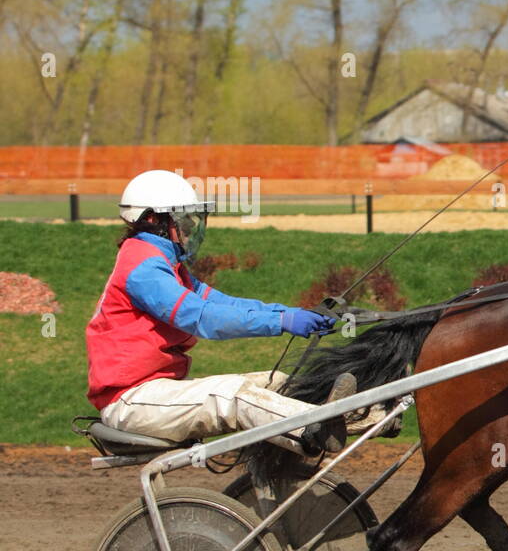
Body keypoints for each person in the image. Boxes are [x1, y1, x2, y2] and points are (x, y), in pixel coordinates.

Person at [85, 169, 354, 454]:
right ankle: (313, 429)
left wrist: (288, 312)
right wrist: (282, 322)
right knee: (232, 396)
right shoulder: (144, 267)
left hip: (156, 392)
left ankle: (365, 417)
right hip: (132, 401)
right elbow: (204, 318)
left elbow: (225, 304)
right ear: (153, 220)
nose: (190, 230)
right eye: (183, 221)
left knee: (276, 383)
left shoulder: (166, 263)